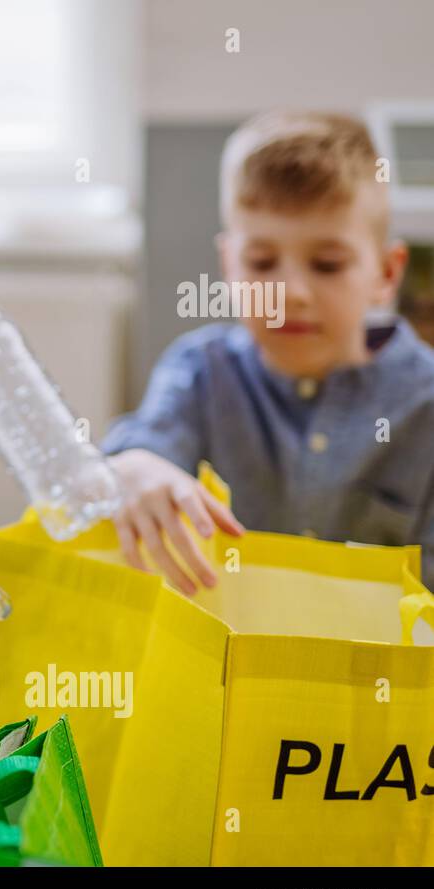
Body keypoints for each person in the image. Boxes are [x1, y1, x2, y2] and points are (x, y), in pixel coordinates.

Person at [104, 111, 434, 594]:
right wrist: (134, 467)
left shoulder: (424, 405)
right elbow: (136, 455)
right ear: (227, 265)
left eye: (327, 265)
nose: (290, 292)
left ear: (386, 273)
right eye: (261, 263)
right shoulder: (199, 373)